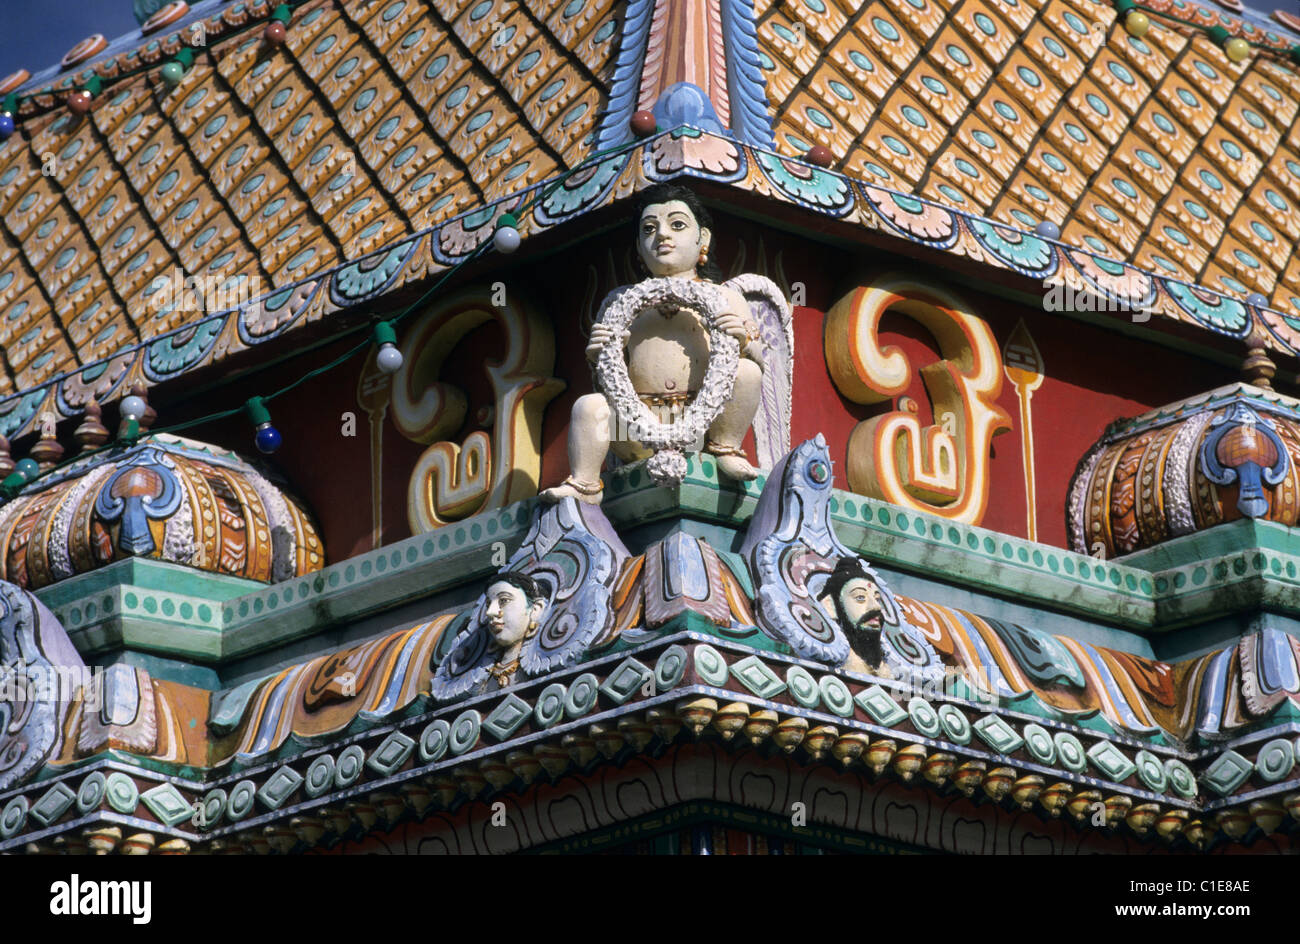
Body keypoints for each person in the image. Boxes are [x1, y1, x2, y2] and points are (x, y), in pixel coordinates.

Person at [541, 184, 766, 503]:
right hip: (637, 428)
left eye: (677, 225)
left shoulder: (725, 298)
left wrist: (743, 340)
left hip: (704, 424)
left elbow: (759, 359)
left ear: (703, 238)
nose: (661, 235)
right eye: (649, 229)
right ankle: (585, 483)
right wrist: (599, 355)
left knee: (747, 372)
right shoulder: (620, 303)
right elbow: (607, 378)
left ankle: (726, 447)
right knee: (589, 405)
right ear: (638, 247)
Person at [820, 556, 895, 676]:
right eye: (860, 597)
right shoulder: (826, 663)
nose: (876, 607)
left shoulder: (889, 671)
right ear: (831, 605)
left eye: (877, 599)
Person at [480, 572, 548, 689]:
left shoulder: (543, 663)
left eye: (504, 600)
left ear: (535, 609)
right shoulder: (484, 675)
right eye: (488, 604)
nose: (490, 612)